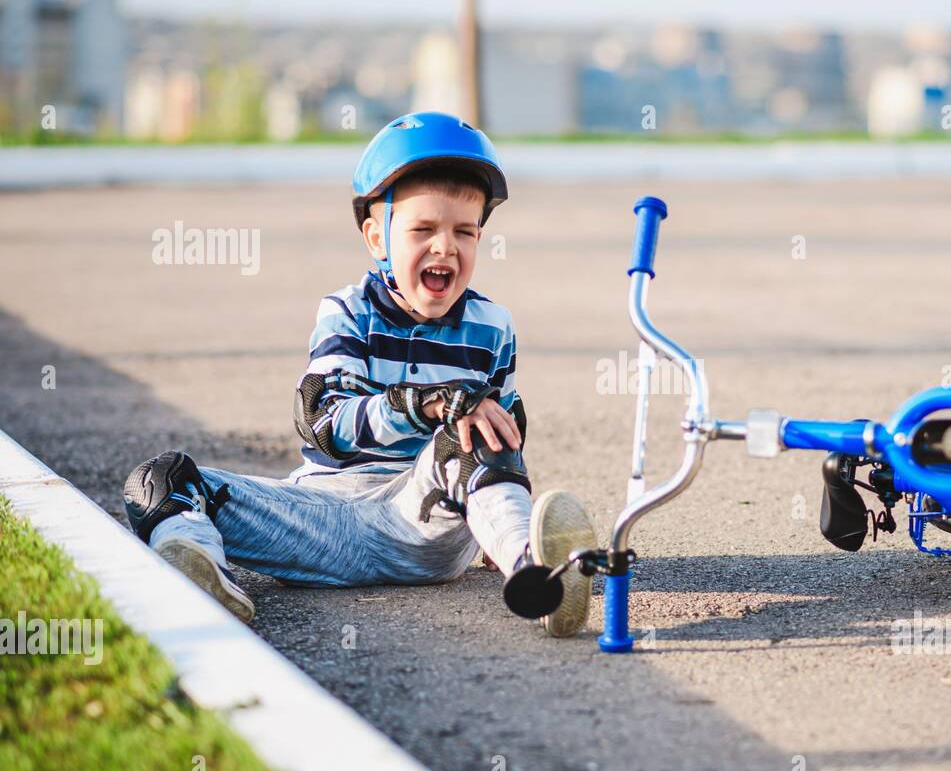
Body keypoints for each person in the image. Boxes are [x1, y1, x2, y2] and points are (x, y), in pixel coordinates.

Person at [122, 111, 597, 637]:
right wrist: (426, 401)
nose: (446, 247)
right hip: (321, 518)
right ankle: (195, 572)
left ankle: (538, 573)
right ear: (376, 237)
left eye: (466, 232)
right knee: (160, 480)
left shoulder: (493, 326)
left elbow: (505, 436)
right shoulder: (347, 313)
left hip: (420, 527)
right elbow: (324, 425)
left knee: (472, 434)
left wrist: (493, 525)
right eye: (424, 229)